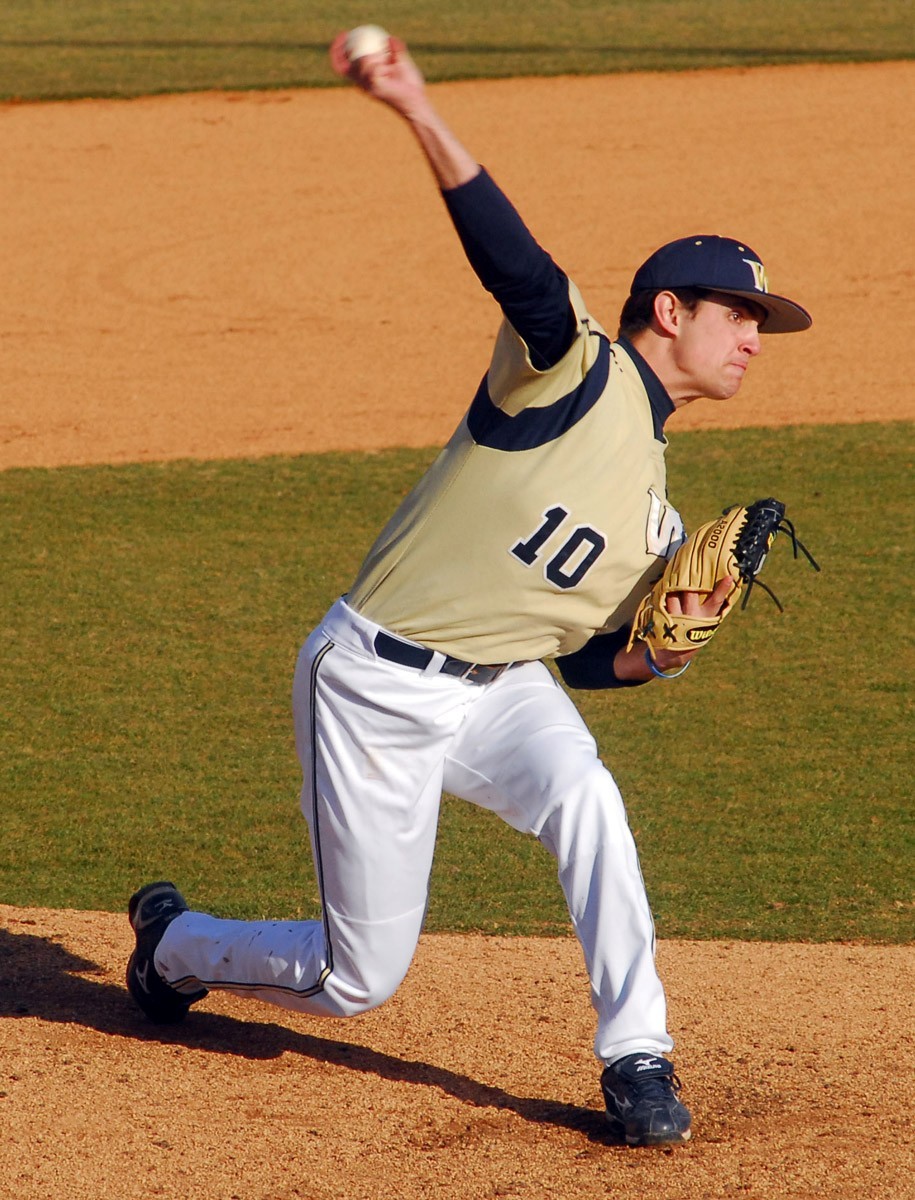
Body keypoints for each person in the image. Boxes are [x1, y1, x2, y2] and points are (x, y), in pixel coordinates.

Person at [126, 34, 811, 1147]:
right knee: (357, 980)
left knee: (588, 797)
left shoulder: (661, 519)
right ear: (671, 312)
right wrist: (414, 104)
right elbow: (518, 267)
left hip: (500, 689)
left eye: (763, 326)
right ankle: (174, 948)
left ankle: (638, 1057)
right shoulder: (575, 368)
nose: (756, 341)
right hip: (373, 685)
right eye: (742, 315)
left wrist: (648, 658)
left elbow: (582, 654)